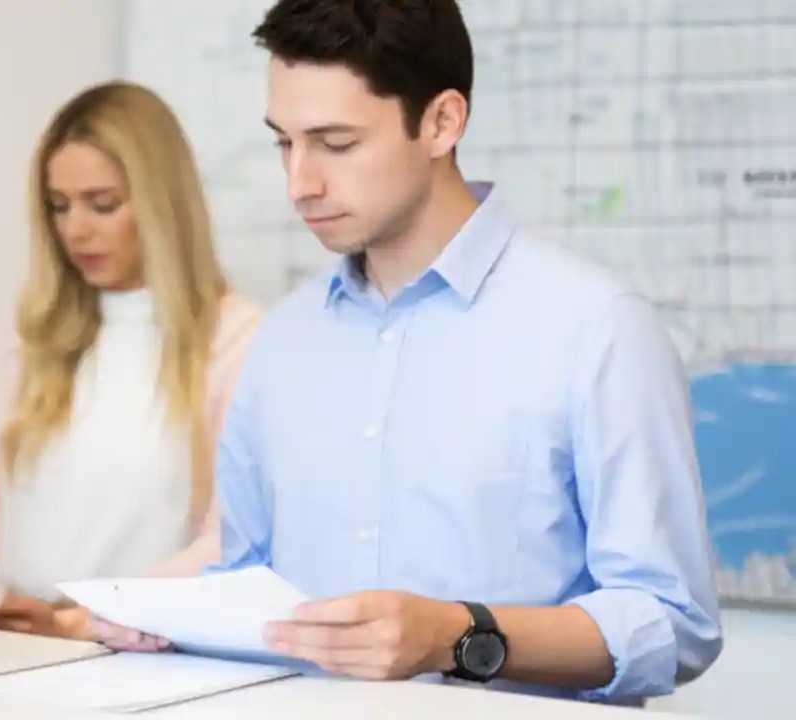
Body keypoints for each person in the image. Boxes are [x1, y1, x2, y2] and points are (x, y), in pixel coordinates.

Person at [101, 0, 723, 706]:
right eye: (284, 143)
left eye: (335, 144)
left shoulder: (597, 329)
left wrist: (457, 635)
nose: (300, 182)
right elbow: (248, 585)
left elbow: (672, 624)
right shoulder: (282, 341)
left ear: (441, 123)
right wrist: (163, 621)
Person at [0, 81, 260, 638]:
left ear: (162, 202)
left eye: (103, 204)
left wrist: (82, 623)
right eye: (59, 207)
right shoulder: (52, 344)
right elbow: (19, 550)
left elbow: (228, 548)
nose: (76, 230)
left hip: (142, 663)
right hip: (26, 649)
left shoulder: (232, 341)